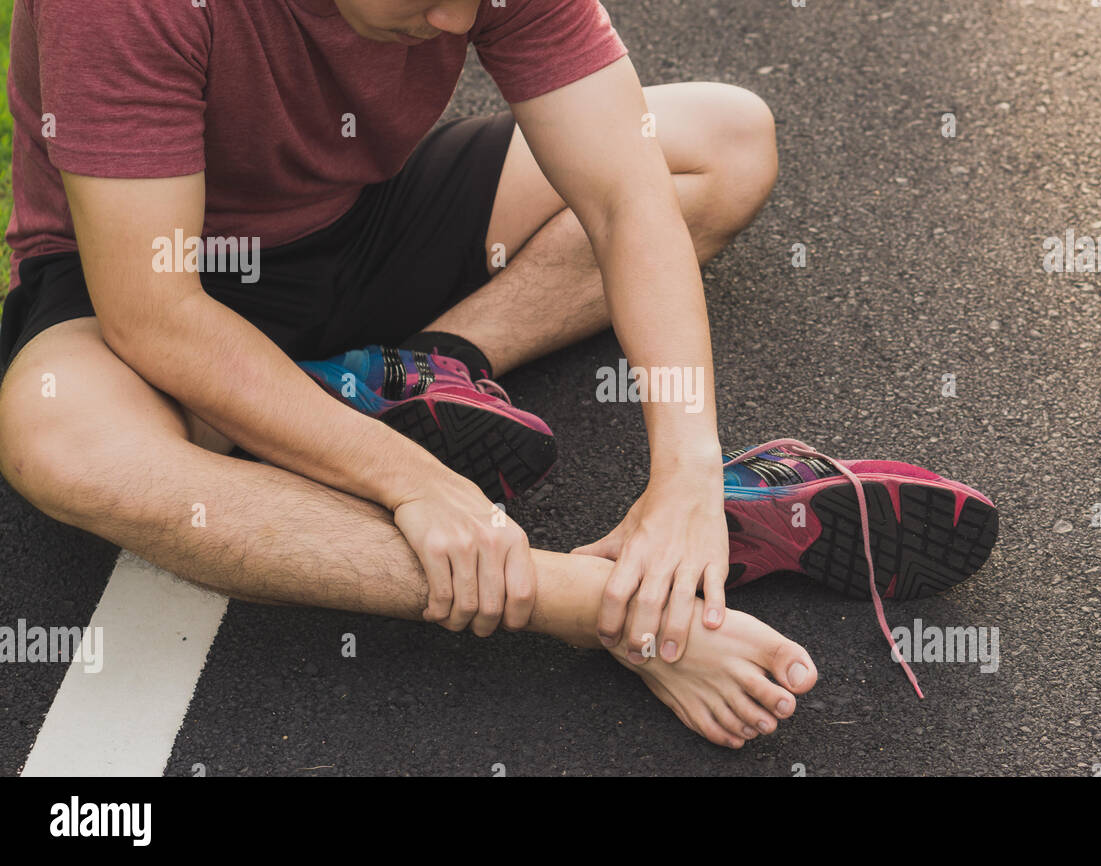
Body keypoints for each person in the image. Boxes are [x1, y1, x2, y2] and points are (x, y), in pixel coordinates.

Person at [0, 0, 996, 749]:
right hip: (152, 276)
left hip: (361, 223)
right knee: (64, 447)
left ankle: (422, 367)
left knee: (724, 143)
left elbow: (621, 192)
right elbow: (157, 313)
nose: (458, 22)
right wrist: (416, 481)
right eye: (427, 2)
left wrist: (685, 469)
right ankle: (598, 605)